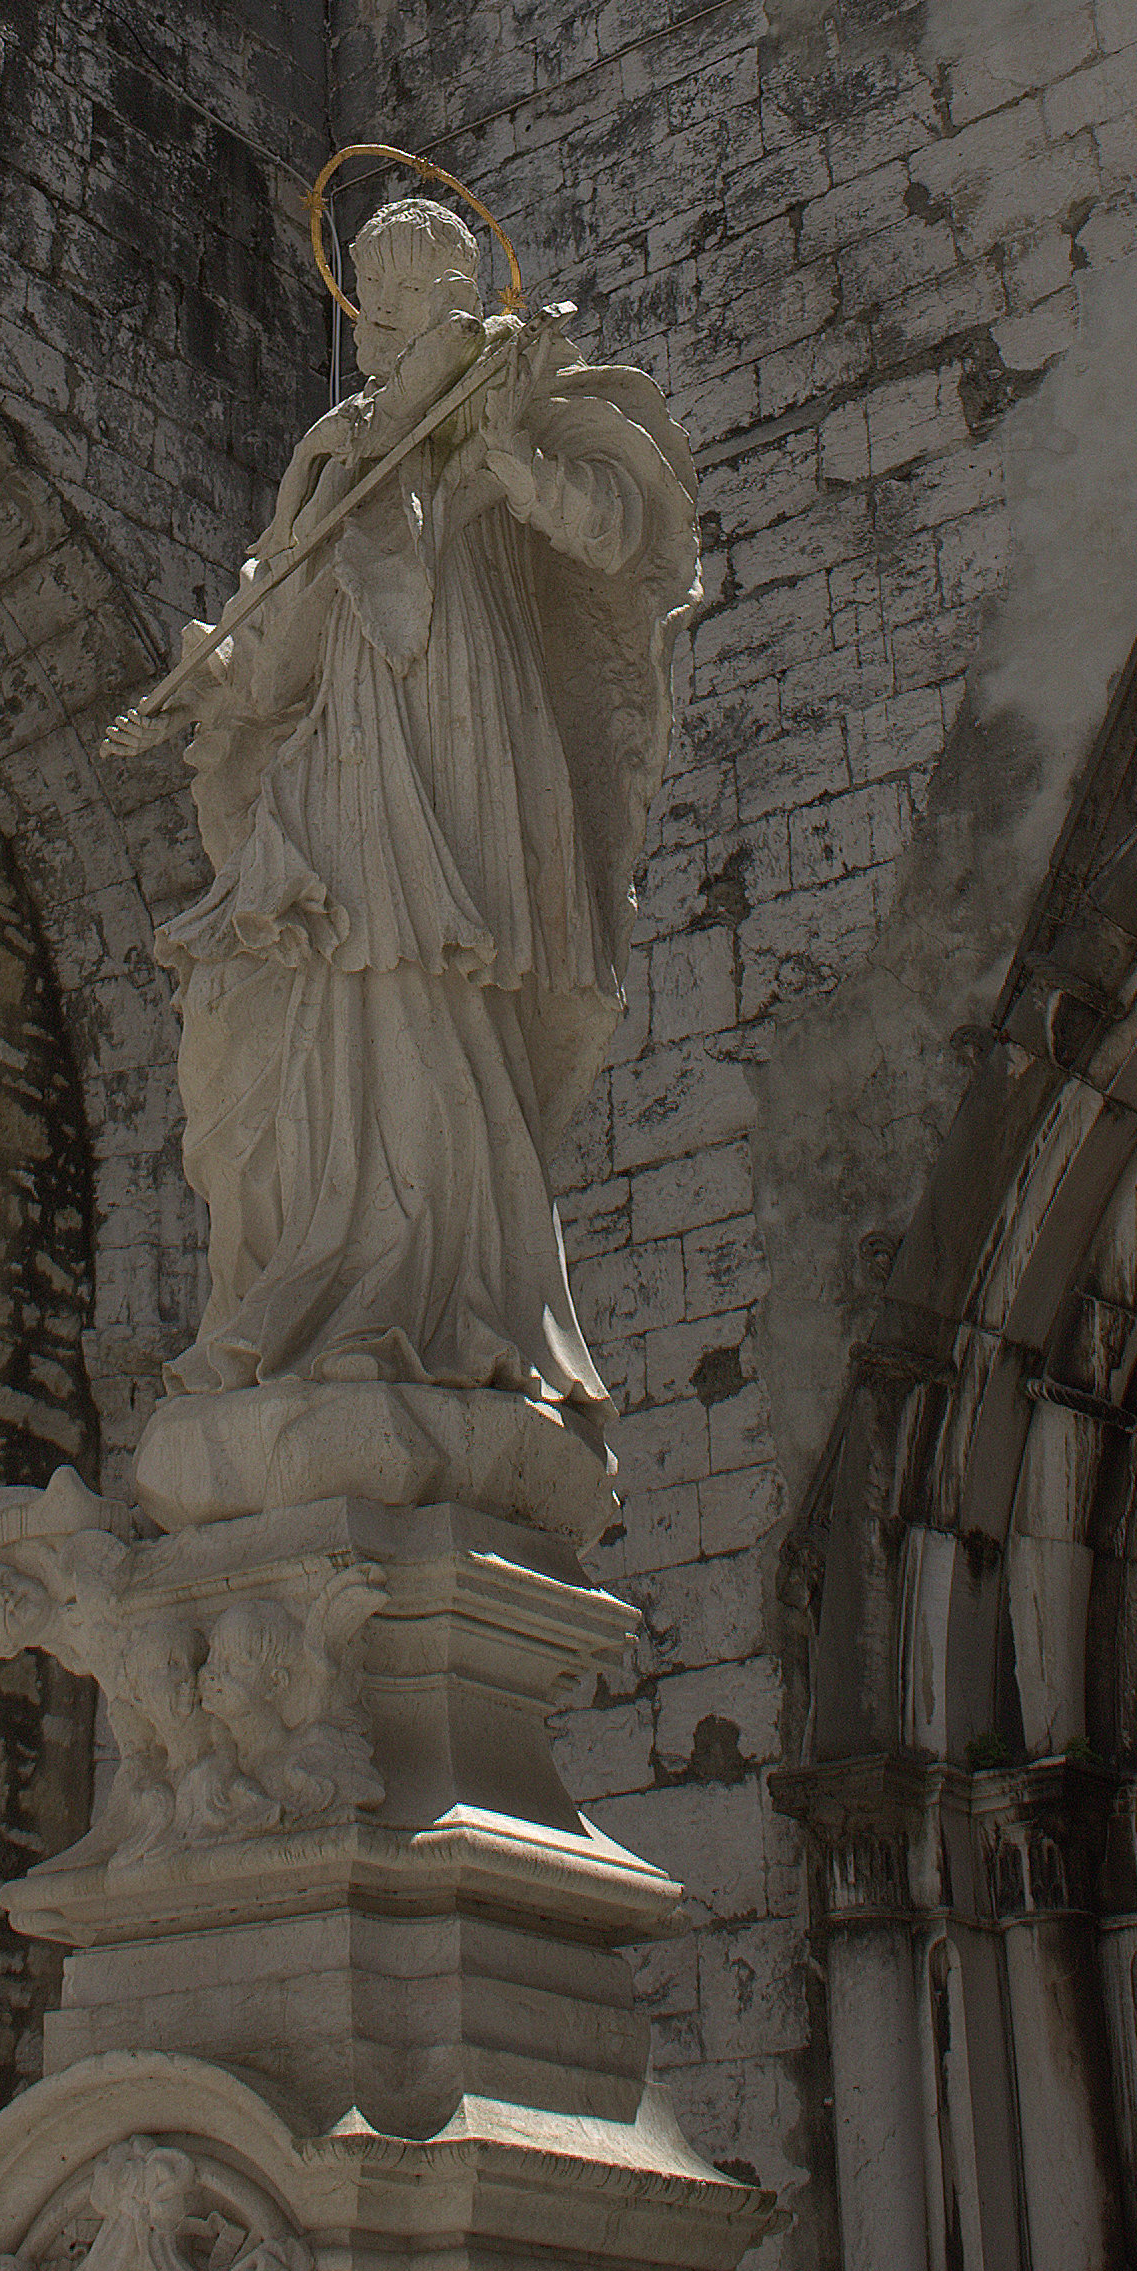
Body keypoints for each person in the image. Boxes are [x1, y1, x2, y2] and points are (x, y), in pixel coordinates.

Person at [159, 190, 700, 1422]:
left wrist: (506, 451)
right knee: (331, 989)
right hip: (350, 748)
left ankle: (456, 1304)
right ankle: (333, 1290)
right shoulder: (342, 449)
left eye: (409, 300)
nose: (384, 330)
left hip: (468, 735)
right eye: (373, 304)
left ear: (460, 299)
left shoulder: (518, 399)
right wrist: (218, 681)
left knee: (445, 989)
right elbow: (287, 634)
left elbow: (615, 534)